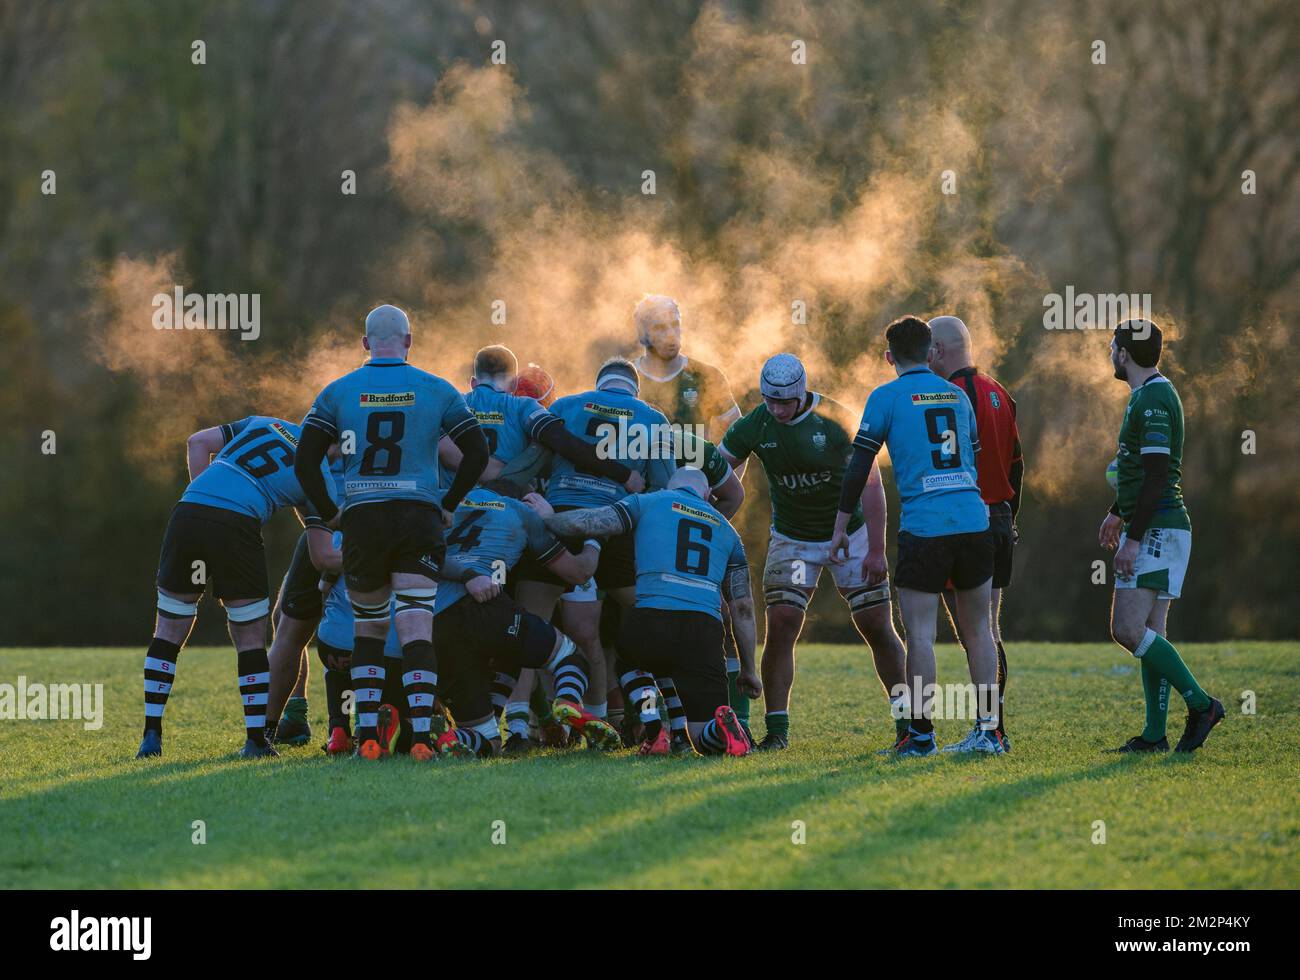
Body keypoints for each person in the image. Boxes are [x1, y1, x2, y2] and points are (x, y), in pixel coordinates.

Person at [294, 304, 488, 761]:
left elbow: (305, 460)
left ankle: (366, 737)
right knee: (417, 623)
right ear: (408, 341)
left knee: (370, 626)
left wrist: (329, 512)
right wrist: (448, 503)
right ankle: (421, 736)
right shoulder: (435, 389)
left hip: (363, 516)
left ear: (365, 344)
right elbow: (477, 452)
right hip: (418, 516)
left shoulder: (339, 391)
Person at [830, 316, 1002, 755]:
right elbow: (974, 456)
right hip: (972, 519)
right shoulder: (959, 396)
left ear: (889, 357)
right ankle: (990, 731)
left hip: (925, 527)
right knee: (979, 630)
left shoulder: (885, 397)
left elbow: (858, 468)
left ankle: (921, 736)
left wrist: (839, 527)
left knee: (922, 635)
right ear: (930, 353)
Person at [720, 353, 906, 751]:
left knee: (875, 625)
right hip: (795, 542)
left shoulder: (838, 420)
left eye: (785, 401)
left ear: (802, 393)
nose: (777, 409)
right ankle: (777, 732)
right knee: (784, 623)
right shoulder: (757, 423)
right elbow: (718, 469)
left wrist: (876, 549)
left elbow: (872, 486)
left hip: (851, 537)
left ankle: (910, 725)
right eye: (770, 400)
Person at [136, 416, 337, 759]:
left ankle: (151, 736)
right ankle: (256, 740)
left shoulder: (266, 423)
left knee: (169, 630)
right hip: (236, 524)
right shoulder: (321, 473)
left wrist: (210, 503)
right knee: (250, 638)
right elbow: (322, 554)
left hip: (188, 511)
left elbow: (197, 442)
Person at [541, 467, 760, 756]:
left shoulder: (650, 501)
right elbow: (742, 609)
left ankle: (654, 730)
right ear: (707, 495)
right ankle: (720, 725)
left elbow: (593, 522)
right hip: (704, 631)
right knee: (702, 739)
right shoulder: (728, 531)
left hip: (651, 618)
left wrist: (546, 518)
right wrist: (748, 669)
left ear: (671, 486)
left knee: (630, 662)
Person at [512, 356, 676, 734]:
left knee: (529, 627)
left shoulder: (568, 404)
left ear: (598, 384)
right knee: (651, 619)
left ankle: (520, 729)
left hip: (557, 515)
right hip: (613, 521)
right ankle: (611, 720)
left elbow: (533, 461)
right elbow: (661, 488)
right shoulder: (651, 418)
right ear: (635, 390)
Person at [1099, 319, 1223, 753]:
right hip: (1160, 528)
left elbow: (1156, 476)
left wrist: (1133, 538)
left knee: (1127, 630)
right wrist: (1118, 511)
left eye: (1112, 346)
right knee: (1151, 632)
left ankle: (1203, 704)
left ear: (1124, 354)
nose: (1109, 352)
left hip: (1157, 530)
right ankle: (1154, 735)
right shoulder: (1146, 394)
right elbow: (1141, 473)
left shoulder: (1152, 397)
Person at [431, 480, 619, 757]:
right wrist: (595, 539)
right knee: (569, 657)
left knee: (488, 743)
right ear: (526, 498)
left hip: (437, 621)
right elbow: (579, 572)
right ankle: (567, 701)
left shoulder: (442, 499)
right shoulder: (520, 511)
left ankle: (450, 736)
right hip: (489, 607)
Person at [928, 315, 1024, 749]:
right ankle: (993, 729)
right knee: (988, 629)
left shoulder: (950, 396)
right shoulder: (1001, 392)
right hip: (1001, 518)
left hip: (967, 521)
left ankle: (991, 730)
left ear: (939, 351)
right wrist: (1010, 518)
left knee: (974, 633)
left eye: (928, 349)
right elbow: (1018, 466)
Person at [632, 294, 741, 444]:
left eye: (675, 324)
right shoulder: (625, 377)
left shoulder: (705, 375)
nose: (671, 334)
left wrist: (727, 468)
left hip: (694, 468)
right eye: (660, 327)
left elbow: (740, 438)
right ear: (642, 333)